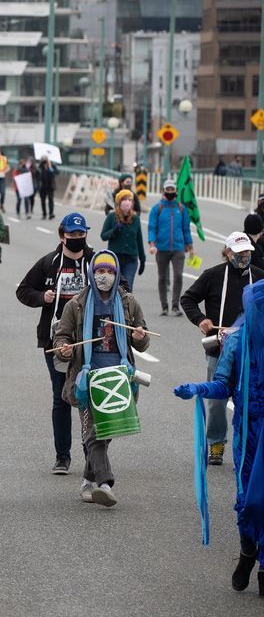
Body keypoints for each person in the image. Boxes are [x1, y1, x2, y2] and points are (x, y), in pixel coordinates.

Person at [174, 280, 264, 596]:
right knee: (250, 501)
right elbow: (223, 385)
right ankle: (248, 553)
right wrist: (199, 388)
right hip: (249, 435)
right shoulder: (238, 342)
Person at [52, 251, 149, 507]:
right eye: (99, 271)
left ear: (117, 275)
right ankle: (104, 483)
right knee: (94, 432)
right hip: (88, 377)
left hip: (119, 377)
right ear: (91, 274)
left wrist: (140, 337)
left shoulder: (128, 303)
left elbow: (144, 340)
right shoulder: (76, 304)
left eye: (109, 271)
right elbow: (61, 336)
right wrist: (65, 347)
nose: (104, 276)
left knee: (106, 433)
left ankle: (87, 480)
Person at [16, 212, 95, 474]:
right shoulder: (49, 263)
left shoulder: (96, 261)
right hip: (55, 341)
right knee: (61, 396)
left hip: (90, 341)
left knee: (88, 398)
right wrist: (42, 297)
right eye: (72, 235)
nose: (76, 239)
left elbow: (122, 288)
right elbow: (23, 290)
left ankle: (92, 454)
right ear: (62, 235)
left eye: (81, 234)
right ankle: (63, 457)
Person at [180, 231, 264, 465]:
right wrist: (200, 319)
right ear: (227, 253)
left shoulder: (259, 278)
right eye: (239, 252)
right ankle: (216, 443)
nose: (244, 256)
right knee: (217, 400)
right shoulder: (213, 275)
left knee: (250, 400)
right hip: (218, 349)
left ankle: (248, 443)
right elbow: (187, 299)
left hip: (252, 352)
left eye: (247, 251)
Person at [147, 179, 193, 316]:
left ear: (176, 191)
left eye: (172, 189)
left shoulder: (181, 208)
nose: (170, 192)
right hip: (161, 248)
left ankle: (175, 305)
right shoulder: (157, 208)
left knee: (178, 276)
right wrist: (152, 243)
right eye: (168, 189)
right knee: (162, 278)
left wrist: (190, 247)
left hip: (179, 248)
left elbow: (186, 229)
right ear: (163, 190)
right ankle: (164, 306)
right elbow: (151, 228)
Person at [100, 189, 144, 290]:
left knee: (127, 288)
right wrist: (114, 231)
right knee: (114, 288)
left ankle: (126, 306)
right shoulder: (112, 217)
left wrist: (143, 259)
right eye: (124, 199)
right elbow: (103, 236)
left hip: (131, 259)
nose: (127, 202)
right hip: (115, 258)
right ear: (119, 202)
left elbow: (139, 240)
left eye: (129, 199)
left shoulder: (135, 219)